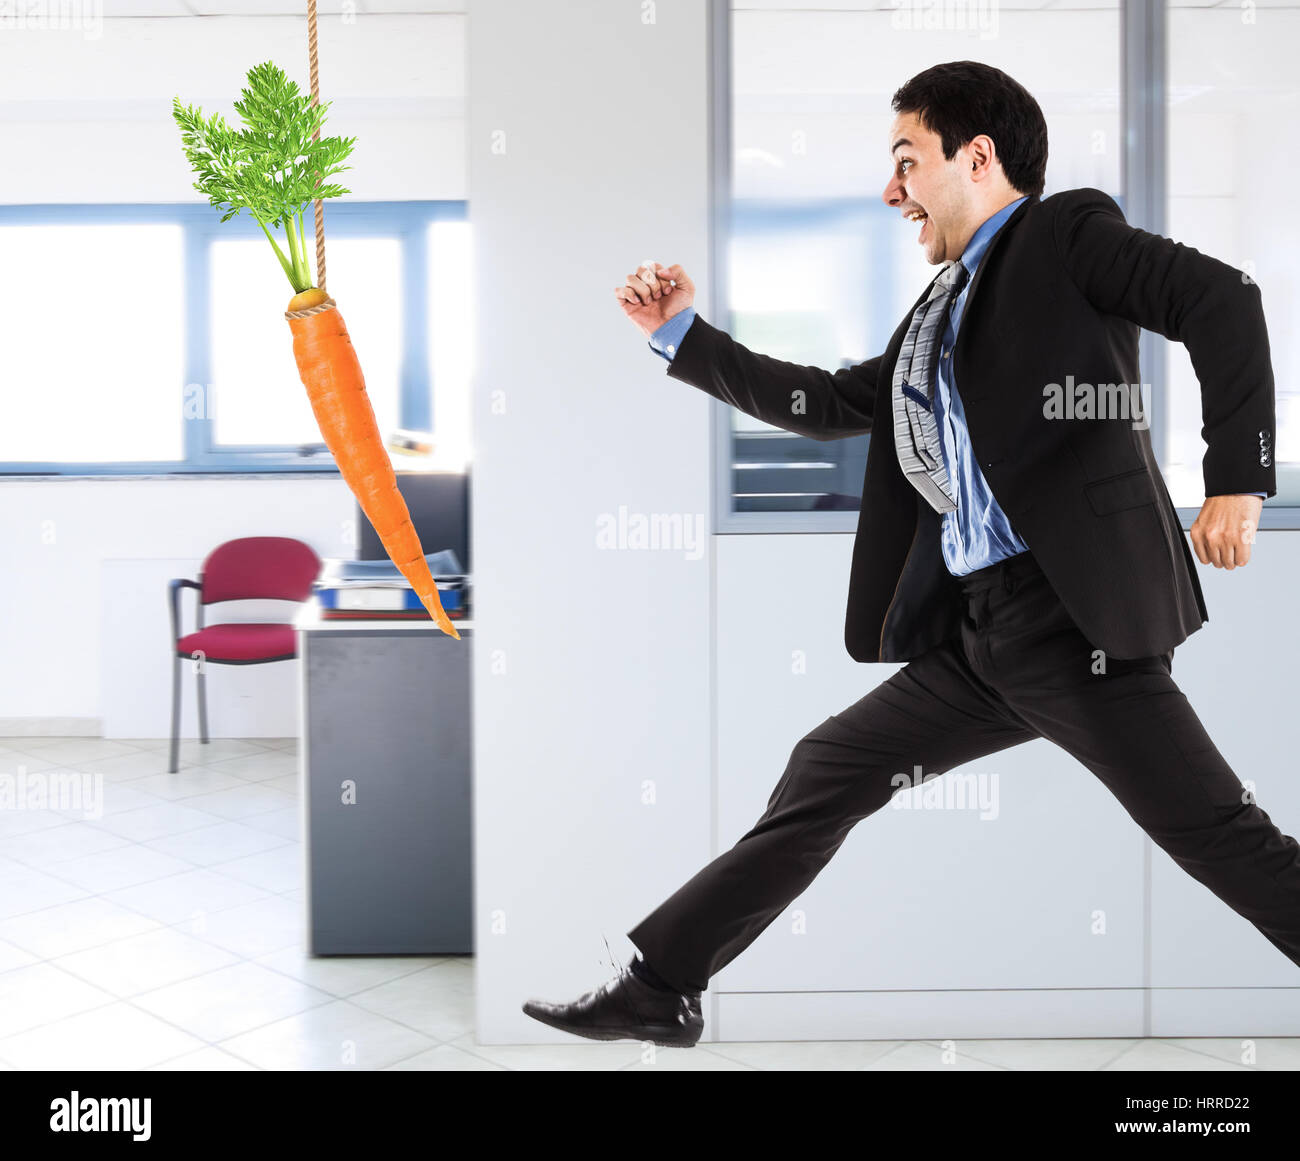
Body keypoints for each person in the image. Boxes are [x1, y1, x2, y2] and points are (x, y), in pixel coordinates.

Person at [522, 60, 1296, 1048]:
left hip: (1074, 626)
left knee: (1219, 840)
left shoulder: (1064, 238)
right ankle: (659, 985)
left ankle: (660, 982)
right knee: (828, 767)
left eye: (905, 162)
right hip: (983, 641)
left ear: (976, 157)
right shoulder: (939, 313)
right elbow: (832, 405)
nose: (891, 191)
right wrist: (677, 335)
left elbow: (1222, 299)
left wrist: (1236, 479)